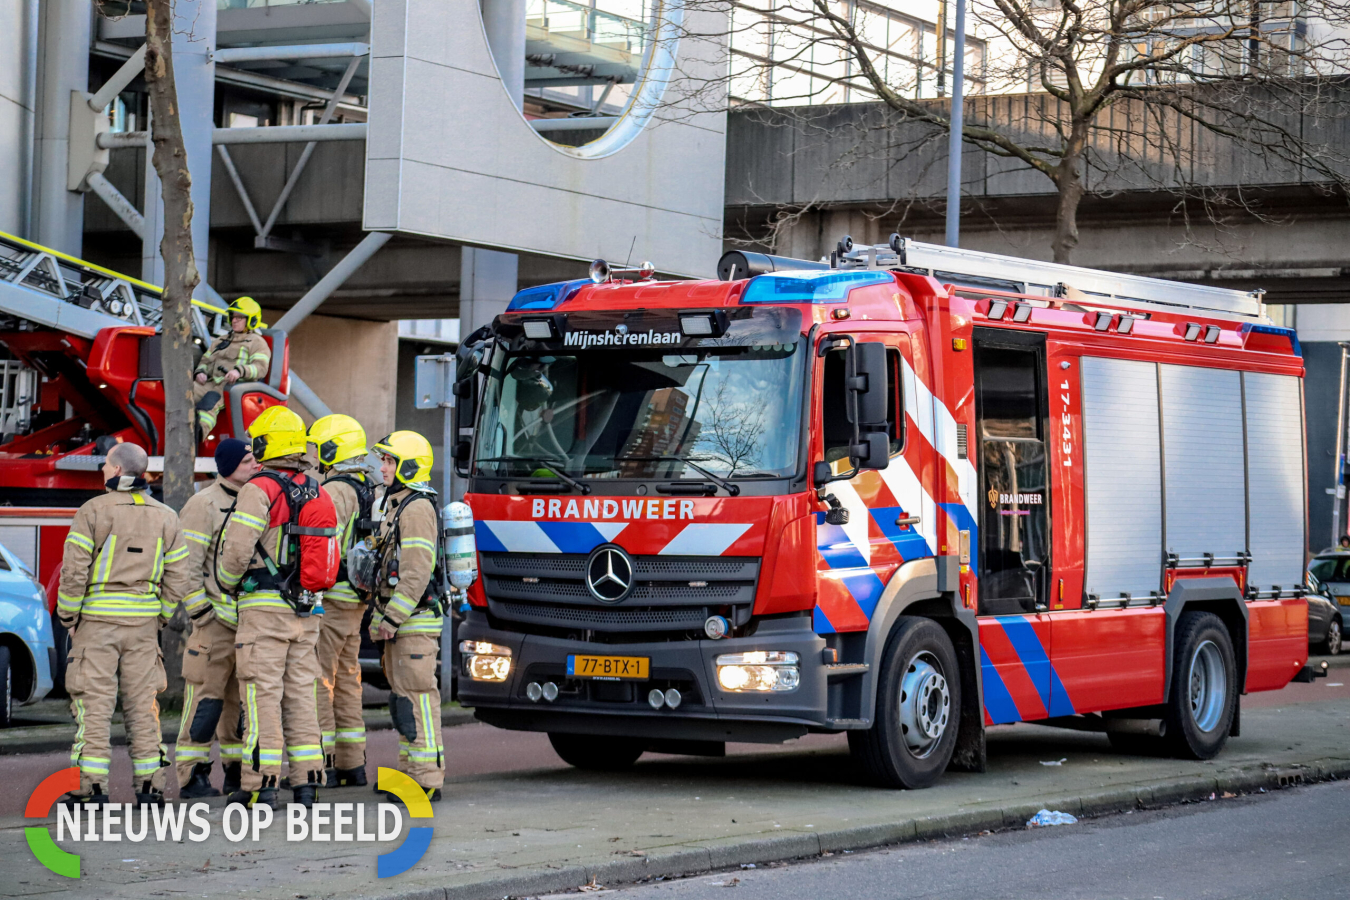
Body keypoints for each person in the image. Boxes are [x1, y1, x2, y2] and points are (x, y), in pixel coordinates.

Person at [56, 441, 191, 807]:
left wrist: (69, 616)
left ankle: (92, 788)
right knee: (143, 707)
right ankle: (150, 786)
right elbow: (180, 575)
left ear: (116, 471)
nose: (102, 472)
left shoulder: (93, 510)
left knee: (93, 707)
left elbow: (74, 571)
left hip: (97, 624)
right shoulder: (166, 515)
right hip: (144, 626)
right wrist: (160, 614)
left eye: (105, 467)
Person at [217, 406, 338, 809]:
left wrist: (228, 583)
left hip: (265, 610)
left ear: (268, 444)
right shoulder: (318, 489)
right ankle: (307, 782)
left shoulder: (259, 489)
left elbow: (236, 550)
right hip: (308, 610)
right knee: (302, 695)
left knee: (261, 695)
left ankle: (259, 785)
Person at [174, 439, 261, 798]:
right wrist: (200, 611)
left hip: (248, 623)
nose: (255, 464)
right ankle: (192, 776)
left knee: (238, 707)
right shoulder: (202, 504)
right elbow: (184, 564)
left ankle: (235, 774)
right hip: (213, 624)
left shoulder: (255, 498)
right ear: (227, 467)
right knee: (204, 703)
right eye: (247, 460)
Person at [367, 431, 445, 802]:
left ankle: (427, 780)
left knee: (417, 699)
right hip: (400, 620)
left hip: (414, 622)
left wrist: (391, 619)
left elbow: (415, 572)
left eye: (389, 461)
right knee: (402, 701)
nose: (382, 467)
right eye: (383, 460)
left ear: (408, 467)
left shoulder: (416, 508)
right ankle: (408, 773)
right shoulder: (395, 503)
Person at [307, 414, 379, 787]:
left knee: (319, 678)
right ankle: (352, 763)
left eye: (319, 447)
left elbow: (322, 545)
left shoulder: (334, 491)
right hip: (356, 599)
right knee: (349, 678)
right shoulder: (370, 488)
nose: (315, 455)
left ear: (334, 449)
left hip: (331, 598)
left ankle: (324, 763)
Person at [194, 298, 271, 438]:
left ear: (252, 320)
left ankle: (195, 437)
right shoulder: (220, 340)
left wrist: (239, 371)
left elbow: (260, 368)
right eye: (233, 316)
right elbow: (205, 360)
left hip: (231, 387)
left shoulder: (258, 342)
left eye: (239, 317)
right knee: (183, 394)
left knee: (209, 402)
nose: (234, 320)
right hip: (210, 382)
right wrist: (201, 372)